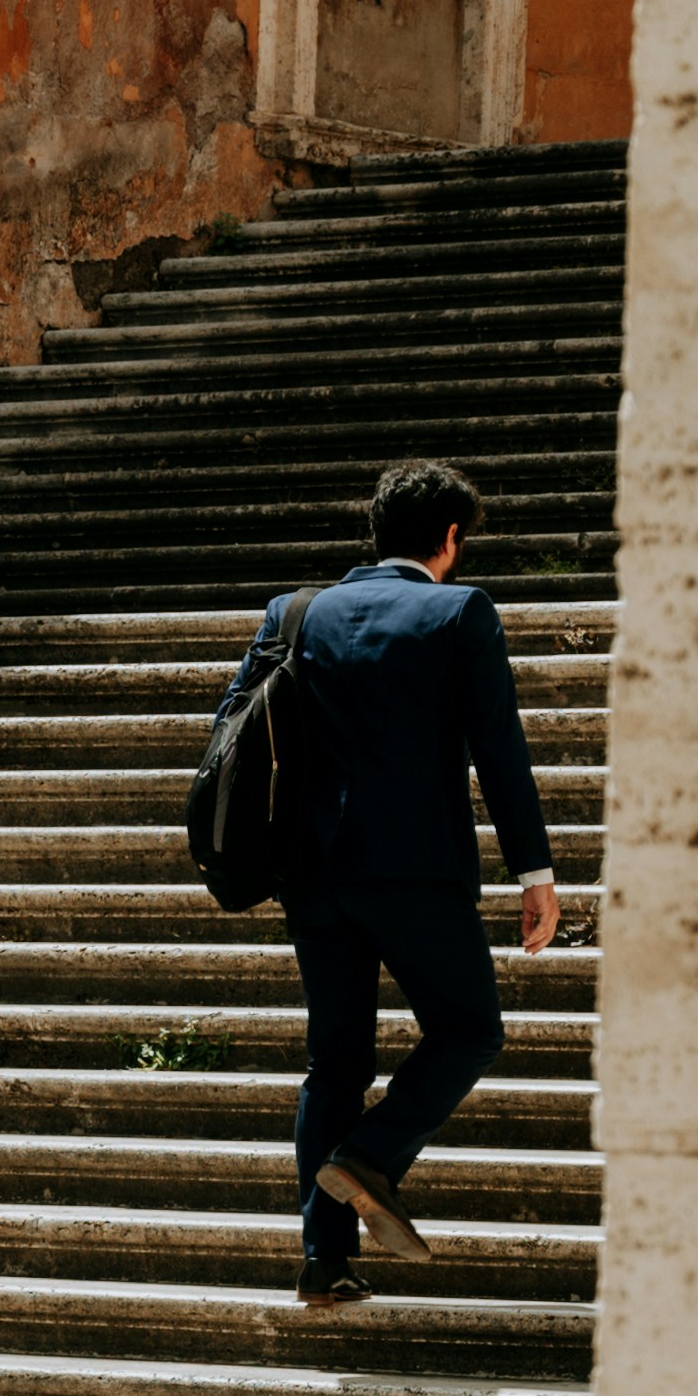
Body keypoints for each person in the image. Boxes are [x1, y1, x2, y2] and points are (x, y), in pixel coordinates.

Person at [216, 458, 559, 1309]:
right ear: (450, 540)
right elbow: (500, 750)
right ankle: (369, 1156)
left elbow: (232, 727)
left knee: (334, 1063)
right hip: (415, 871)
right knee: (470, 1029)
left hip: (312, 874)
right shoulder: (459, 611)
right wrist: (535, 872)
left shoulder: (293, 613)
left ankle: (322, 1263)